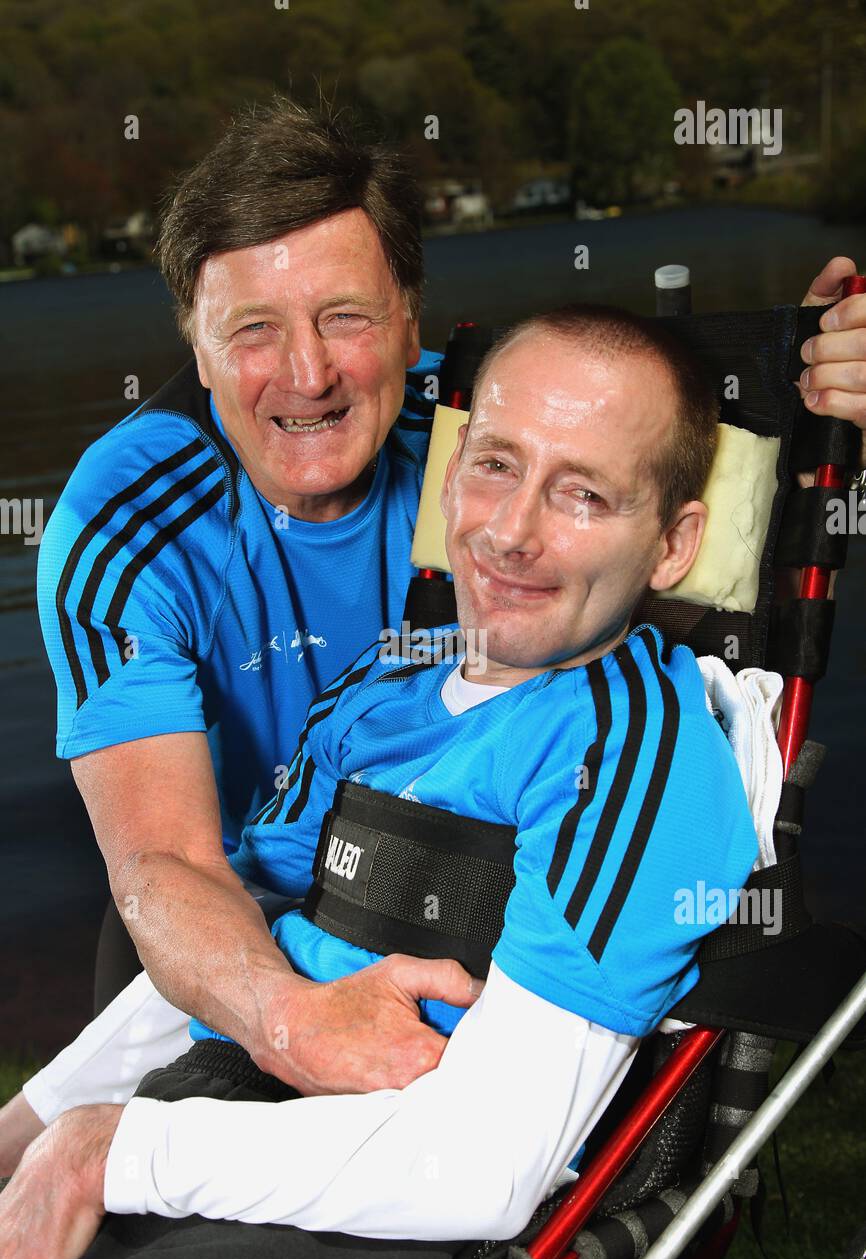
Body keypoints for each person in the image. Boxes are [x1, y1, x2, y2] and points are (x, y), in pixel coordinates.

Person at [2, 83, 866, 1171]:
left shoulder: (468, 433)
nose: (307, 375)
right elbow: (165, 863)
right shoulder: (120, 525)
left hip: (464, 889)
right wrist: (287, 1018)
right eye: (253, 330)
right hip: (230, 905)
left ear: (412, 315)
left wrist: (802, 399)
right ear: (195, 341)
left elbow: (638, 508)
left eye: (346, 317)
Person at [2, 304, 763, 1259]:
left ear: (671, 544)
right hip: (226, 1112)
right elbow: (238, 941)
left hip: (406, 1202)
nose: (511, 531)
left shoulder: (625, 751)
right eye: (493, 464)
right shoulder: (381, 685)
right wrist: (35, 1123)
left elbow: (484, 1168)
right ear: (448, 475)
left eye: (580, 493)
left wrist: (105, 1152)